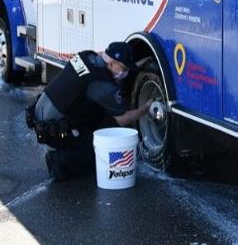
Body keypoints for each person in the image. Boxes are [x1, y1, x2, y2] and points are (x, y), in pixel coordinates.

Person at [26, 41, 149, 181]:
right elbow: (123, 119)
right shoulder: (101, 84)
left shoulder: (87, 56)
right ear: (112, 63)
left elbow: (111, 63)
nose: (125, 73)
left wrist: (138, 65)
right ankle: (58, 161)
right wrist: (146, 108)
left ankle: (65, 143)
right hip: (53, 128)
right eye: (124, 68)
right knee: (98, 153)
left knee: (98, 108)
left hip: (39, 110)